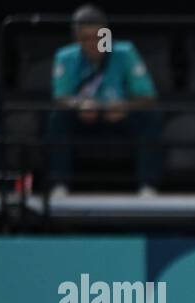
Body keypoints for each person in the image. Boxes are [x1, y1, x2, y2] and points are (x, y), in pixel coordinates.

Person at [47, 4, 160, 196]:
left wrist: (125, 106)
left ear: (106, 34)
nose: (93, 43)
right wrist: (78, 105)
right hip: (83, 118)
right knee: (57, 117)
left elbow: (148, 97)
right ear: (76, 38)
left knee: (150, 118)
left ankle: (147, 186)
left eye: (98, 37)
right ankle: (60, 185)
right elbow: (60, 98)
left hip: (118, 116)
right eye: (86, 39)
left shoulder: (125, 52)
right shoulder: (65, 57)